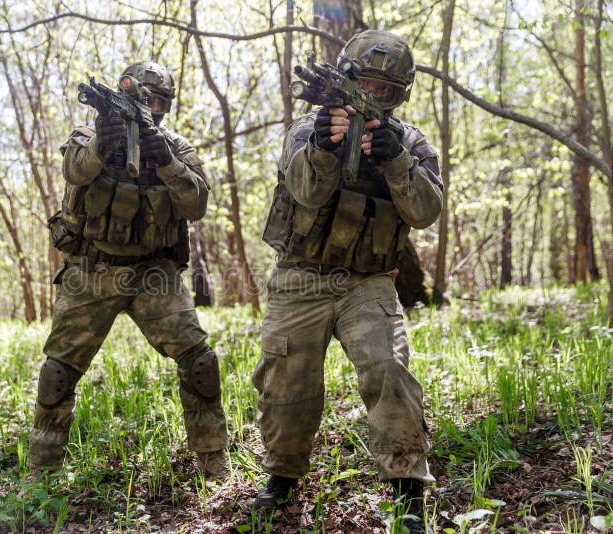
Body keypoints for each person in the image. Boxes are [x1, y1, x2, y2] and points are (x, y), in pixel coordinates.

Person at [254, 30, 442, 533]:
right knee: (286, 382)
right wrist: (323, 145)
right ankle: (281, 478)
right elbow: (305, 194)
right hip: (300, 277)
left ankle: (407, 491)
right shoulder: (306, 129)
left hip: (370, 283)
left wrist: (395, 157)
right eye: (368, 85)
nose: (376, 97)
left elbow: (426, 212)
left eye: (388, 89)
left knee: (388, 372)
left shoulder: (412, 142)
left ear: (401, 94)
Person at [28, 61, 229, 479]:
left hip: (153, 274)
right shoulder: (91, 134)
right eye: (144, 98)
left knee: (200, 363)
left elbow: (197, 205)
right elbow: (73, 170)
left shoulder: (176, 146)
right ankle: (40, 477)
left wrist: (167, 163)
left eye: (159, 102)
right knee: (58, 374)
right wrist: (104, 143)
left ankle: (214, 467)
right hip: (91, 269)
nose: (151, 107)